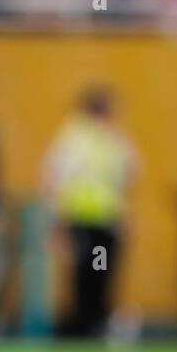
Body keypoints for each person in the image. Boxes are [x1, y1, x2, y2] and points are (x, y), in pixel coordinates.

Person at [42, 86, 137, 338]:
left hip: (103, 222)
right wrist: (58, 220)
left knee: (97, 274)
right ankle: (84, 326)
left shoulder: (106, 137)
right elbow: (56, 178)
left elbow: (127, 175)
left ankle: (92, 324)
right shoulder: (78, 138)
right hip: (86, 222)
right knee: (90, 275)